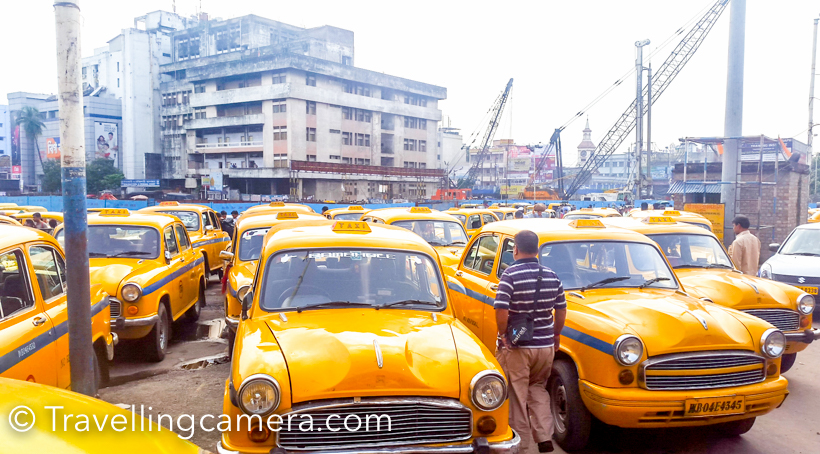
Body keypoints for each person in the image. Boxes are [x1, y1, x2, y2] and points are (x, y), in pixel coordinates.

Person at [494, 230, 567, 453]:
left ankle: (523, 445)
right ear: (537, 249)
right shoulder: (552, 275)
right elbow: (561, 309)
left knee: (517, 394)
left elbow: (501, 309)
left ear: (515, 249)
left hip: (518, 346)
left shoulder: (510, 275)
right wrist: (555, 335)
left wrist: (503, 334)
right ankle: (544, 436)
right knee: (538, 389)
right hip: (545, 347)